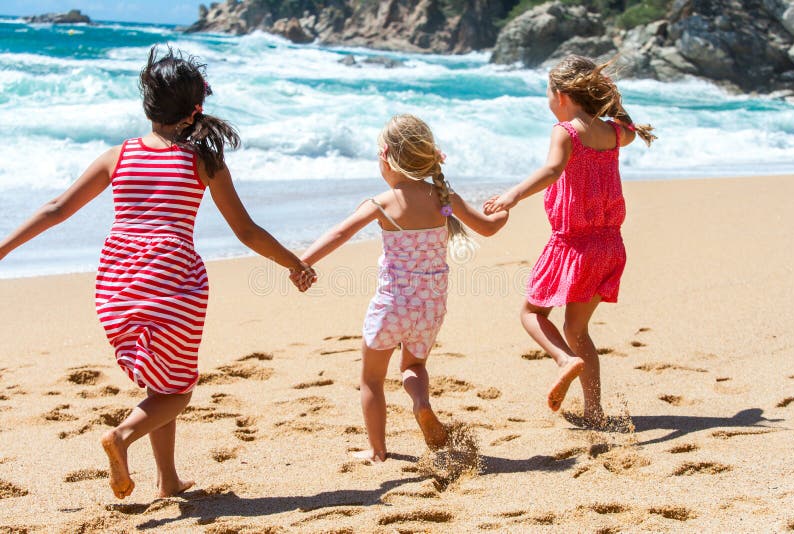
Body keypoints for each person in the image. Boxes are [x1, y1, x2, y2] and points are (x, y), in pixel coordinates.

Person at [0, 46, 315, 499]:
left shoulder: (118, 156)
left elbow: (56, 209)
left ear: (147, 105)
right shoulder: (203, 161)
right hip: (174, 280)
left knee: (160, 381)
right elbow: (246, 231)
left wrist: (5, 248)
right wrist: (294, 263)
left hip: (118, 279)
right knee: (179, 390)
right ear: (195, 110)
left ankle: (168, 481)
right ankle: (121, 436)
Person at [300, 114, 508, 462]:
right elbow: (487, 227)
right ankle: (421, 403)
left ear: (386, 156)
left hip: (392, 306)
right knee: (414, 366)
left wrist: (302, 263)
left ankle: (377, 450)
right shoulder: (443, 196)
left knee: (371, 379)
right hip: (431, 308)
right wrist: (503, 211)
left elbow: (340, 233)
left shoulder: (382, 203)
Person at [484, 55, 655, 427]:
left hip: (573, 244)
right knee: (577, 330)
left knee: (531, 313)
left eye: (548, 92)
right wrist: (616, 105)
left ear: (561, 95)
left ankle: (564, 360)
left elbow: (552, 169)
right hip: (609, 246)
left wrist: (512, 195)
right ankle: (594, 411)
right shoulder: (612, 132)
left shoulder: (566, 131)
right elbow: (627, 128)